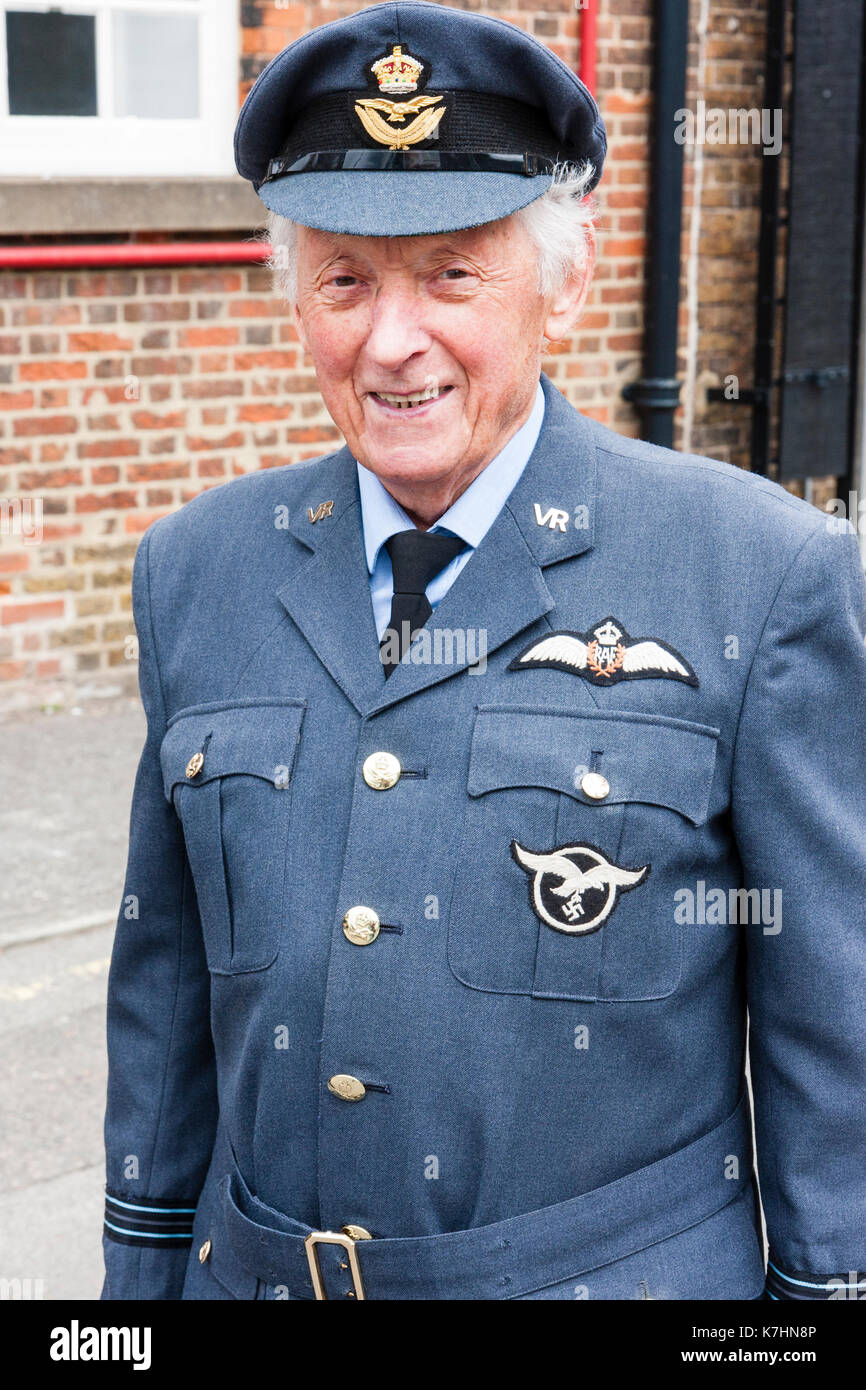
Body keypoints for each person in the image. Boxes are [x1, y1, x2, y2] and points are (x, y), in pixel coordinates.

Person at [101, 1, 866, 1300]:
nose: (391, 341)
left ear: (562, 286)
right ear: (295, 297)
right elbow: (162, 989)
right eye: (344, 277)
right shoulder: (197, 569)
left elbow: (829, 1032)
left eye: (451, 274)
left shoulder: (762, 574)